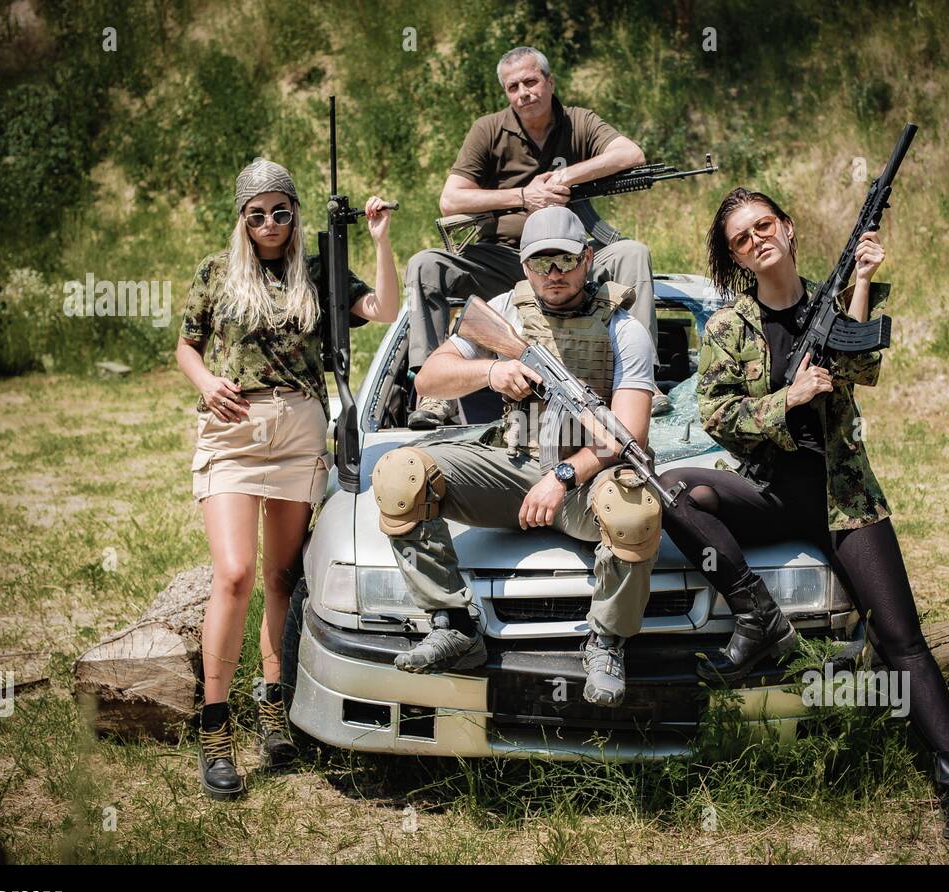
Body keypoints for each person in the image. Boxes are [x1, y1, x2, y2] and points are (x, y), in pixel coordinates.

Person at [659, 187, 949, 844]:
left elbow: (863, 367)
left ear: (788, 227)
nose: (757, 239)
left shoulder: (831, 303)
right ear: (736, 259)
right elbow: (719, 418)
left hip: (844, 499)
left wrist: (862, 279)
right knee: (672, 490)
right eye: (742, 238)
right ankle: (757, 615)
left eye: (764, 225)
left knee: (901, 639)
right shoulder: (728, 326)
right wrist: (790, 397)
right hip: (771, 492)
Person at [176, 157, 399, 799]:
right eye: (258, 214)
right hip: (234, 429)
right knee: (235, 574)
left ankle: (272, 704)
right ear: (242, 219)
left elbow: (382, 308)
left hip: (300, 431)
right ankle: (215, 726)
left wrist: (380, 241)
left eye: (281, 211)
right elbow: (187, 343)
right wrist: (204, 380)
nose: (270, 223)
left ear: (295, 214)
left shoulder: (317, 272)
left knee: (281, 575)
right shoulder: (217, 273)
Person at [374, 206, 659, 706]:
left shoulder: (623, 328)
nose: (553, 274)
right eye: (540, 262)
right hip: (513, 464)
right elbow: (428, 378)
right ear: (524, 265)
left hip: (586, 483)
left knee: (637, 512)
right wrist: (491, 373)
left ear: (588, 258)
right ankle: (456, 624)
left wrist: (565, 476)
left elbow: (626, 434)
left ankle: (607, 642)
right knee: (400, 473)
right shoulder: (504, 309)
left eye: (565, 261)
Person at [404, 45, 670, 428]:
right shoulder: (489, 129)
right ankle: (431, 393)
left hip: (569, 262)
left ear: (549, 81)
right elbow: (451, 199)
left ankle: (646, 383)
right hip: (502, 257)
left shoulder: (577, 121)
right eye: (513, 87)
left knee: (632, 253)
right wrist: (524, 195)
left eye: (531, 81)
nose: (523, 93)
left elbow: (630, 154)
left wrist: (566, 177)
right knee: (424, 265)